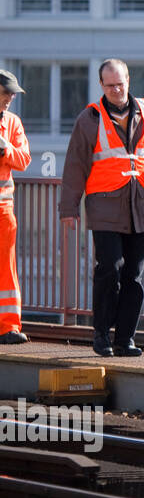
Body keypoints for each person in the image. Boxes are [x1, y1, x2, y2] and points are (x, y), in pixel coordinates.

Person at [59, 59, 144, 357]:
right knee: (109, 270)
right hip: (104, 207)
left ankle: (125, 339)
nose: (117, 90)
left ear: (128, 80)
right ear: (101, 86)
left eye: (121, 83)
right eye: (110, 85)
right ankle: (102, 335)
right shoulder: (89, 118)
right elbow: (74, 166)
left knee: (133, 275)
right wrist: (69, 208)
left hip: (141, 206)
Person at [0, 70, 31, 345]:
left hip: (3, 210)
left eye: (12, 93)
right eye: (6, 92)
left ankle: (9, 326)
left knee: (6, 269)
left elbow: (23, 160)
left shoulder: (12, 123)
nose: (10, 97)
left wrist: (5, 149)